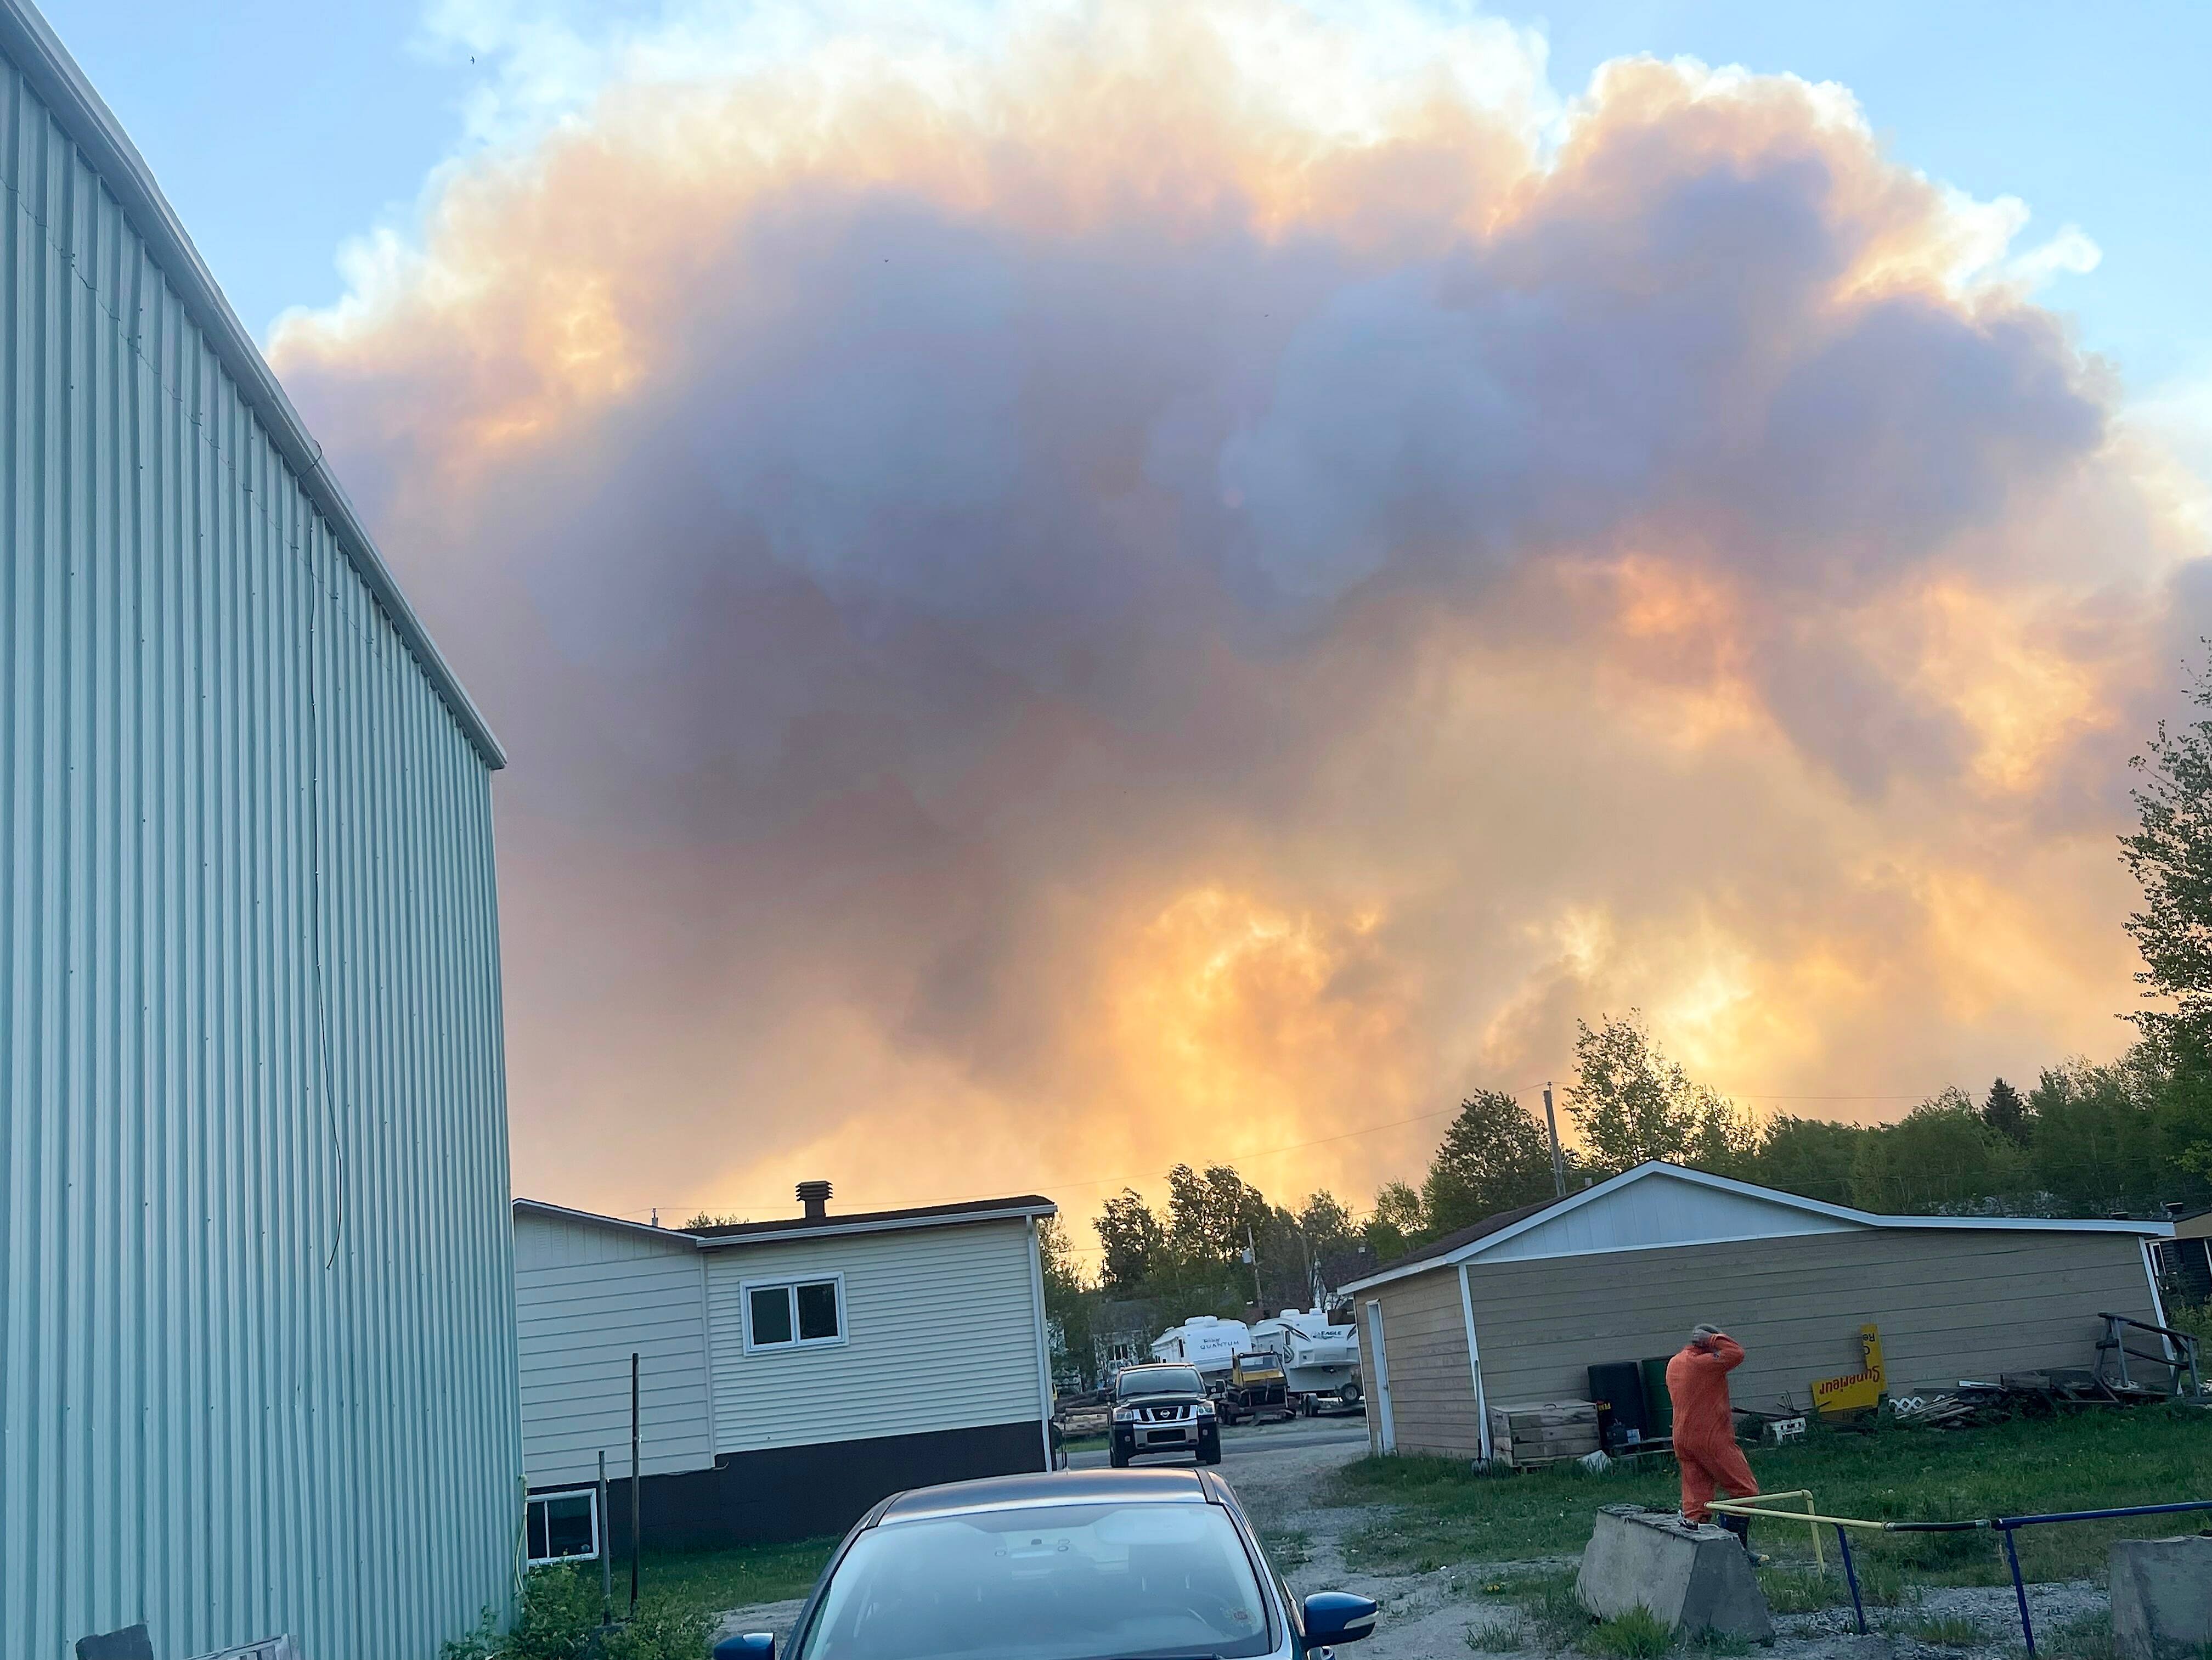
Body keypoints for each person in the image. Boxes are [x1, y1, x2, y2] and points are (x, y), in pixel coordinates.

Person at [1666, 1323, 1761, 1556]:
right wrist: (1714, 1339)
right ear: (1707, 1345)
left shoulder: (1675, 1363)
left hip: (1682, 1438)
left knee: (1697, 1501)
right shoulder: (1704, 1364)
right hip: (1710, 1438)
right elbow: (1736, 1353)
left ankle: (1698, 1553)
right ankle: (1737, 1551)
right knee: (1744, 1490)